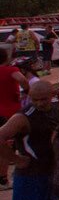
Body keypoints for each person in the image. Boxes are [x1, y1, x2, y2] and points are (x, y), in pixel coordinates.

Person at [0, 50, 21, 190]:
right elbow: (23, 80)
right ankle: (3, 180)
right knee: (6, 147)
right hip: (8, 114)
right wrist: (27, 90)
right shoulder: (11, 70)